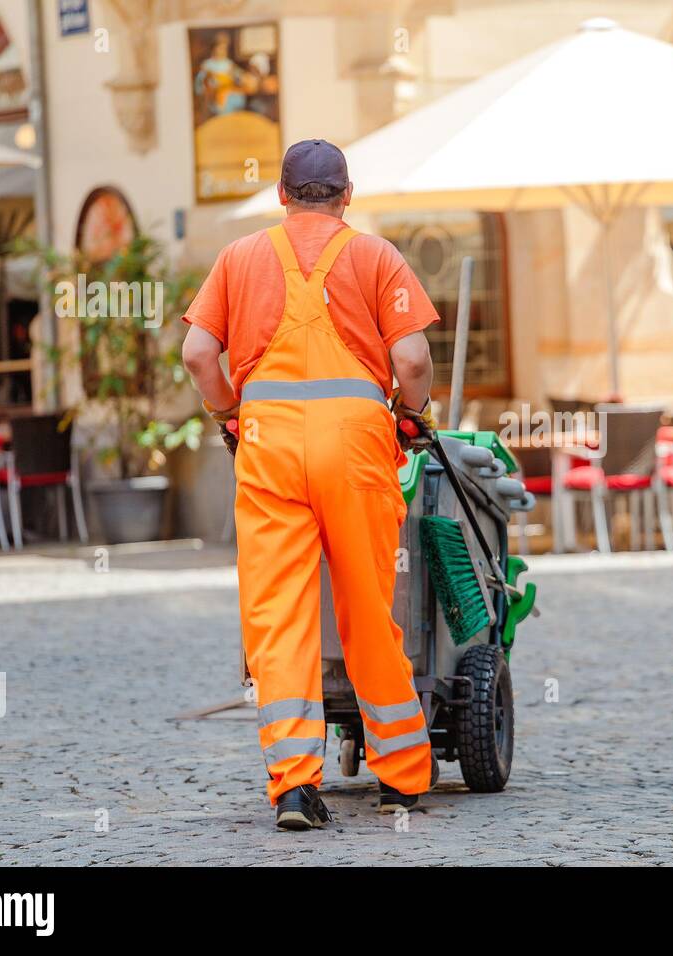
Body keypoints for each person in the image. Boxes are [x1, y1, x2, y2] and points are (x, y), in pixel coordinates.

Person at [181, 138, 441, 830]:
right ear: (347, 195)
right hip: (356, 441)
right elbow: (411, 357)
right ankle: (403, 778)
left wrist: (229, 413)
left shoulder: (239, 258)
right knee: (365, 606)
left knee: (279, 616)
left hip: (266, 442)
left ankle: (295, 786)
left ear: (282, 196)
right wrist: (409, 416)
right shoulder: (375, 255)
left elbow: (198, 352)